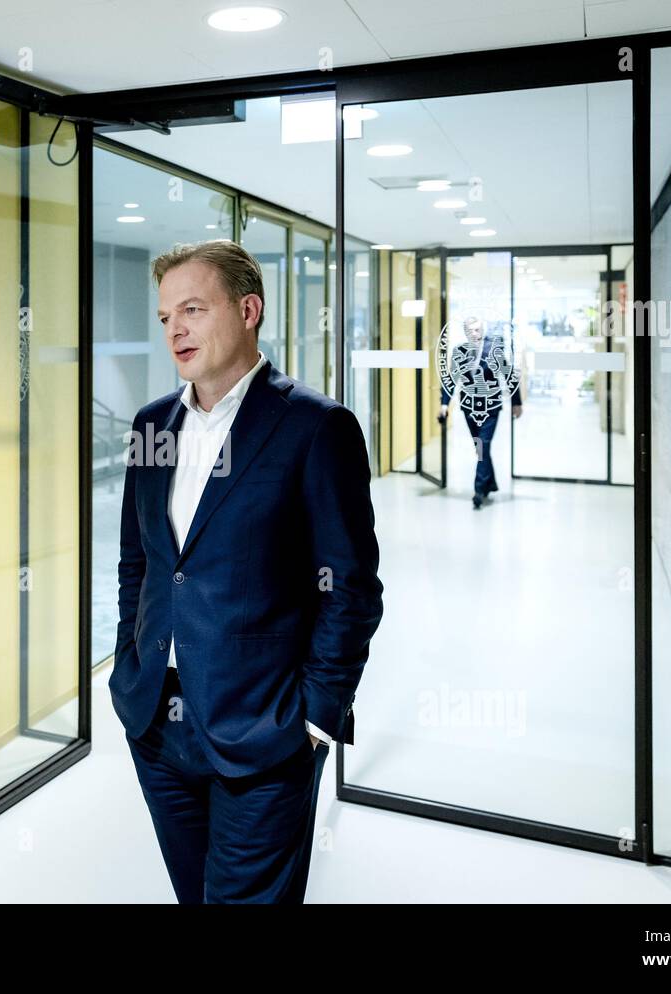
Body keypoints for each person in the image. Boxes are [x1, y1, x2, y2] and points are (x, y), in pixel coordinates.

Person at [109, 239, 384, 903]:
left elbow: (349, 589)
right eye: (166, 315)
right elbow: (139, 563)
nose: (176, 328)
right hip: (157, 724)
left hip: (266, 732)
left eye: (194, 309)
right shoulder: (153, 426)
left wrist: (315, 719)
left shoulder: (315, 428)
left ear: (249, 309)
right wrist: (129, 666)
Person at [438, 315, 523, 509]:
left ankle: (478, 491)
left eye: (477, 330)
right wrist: (444, 404)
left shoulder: (495, 350)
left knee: (483, 446)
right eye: (470, 331)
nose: (474, 334)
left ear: (482, 330)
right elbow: (452, 379)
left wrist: (516, 403)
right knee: (480, 448)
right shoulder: (459, 351)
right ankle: (489, 483)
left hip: (491, 407)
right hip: (469, 407)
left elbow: (509, 375)